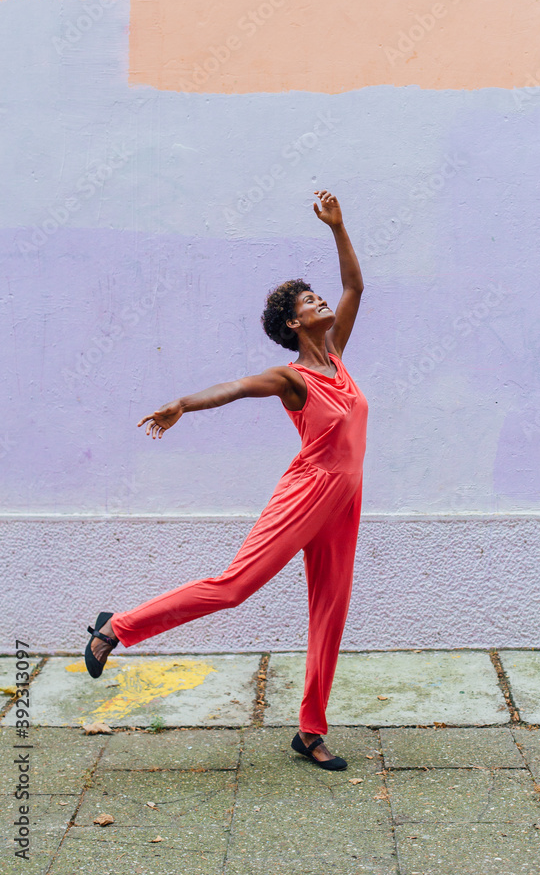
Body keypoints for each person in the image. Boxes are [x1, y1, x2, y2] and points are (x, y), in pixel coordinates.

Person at [84, 190, 368, 770]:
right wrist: (183, 404)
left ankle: (310, 730)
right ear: (294, 322)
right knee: (236, 586)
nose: (321, 301)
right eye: (309, 301)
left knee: (330, 610)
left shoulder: (336, 354)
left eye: (317, 295)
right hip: (308, 491)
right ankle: (118, 627)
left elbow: (355, 288)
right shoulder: (290, 377)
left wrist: (338, 228)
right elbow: (236, 388)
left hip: (345, 499)